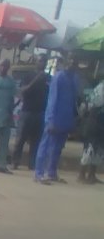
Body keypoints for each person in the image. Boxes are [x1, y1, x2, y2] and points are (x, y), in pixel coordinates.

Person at [34, 54, 80, 185]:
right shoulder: (59, 77)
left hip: (66, 118)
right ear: (66, 63)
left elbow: (74, 100)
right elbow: (52, 99)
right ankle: (39, 173)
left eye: (74, 62)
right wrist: (50, 120)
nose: (72, 64)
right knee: (46, 145)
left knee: (58, 148)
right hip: (54, 117)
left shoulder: (75, 79)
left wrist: (73, 120)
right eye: (70, 61)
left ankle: (52, 172)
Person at [12, 55, 49, 170]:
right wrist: (36, 79)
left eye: (44, 61)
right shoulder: (28, 76)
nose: (42, 63)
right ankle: (15, 162)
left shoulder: (49, 78)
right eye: (40, 60)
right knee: (20, 139)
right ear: (36, 63)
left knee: (36, 141)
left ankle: (32, 164)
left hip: (41, 113)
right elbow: (22, 90)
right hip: (27, 111)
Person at [78, 82, 104, 184]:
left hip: (100, 122)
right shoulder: (101, 87)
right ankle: (81, 174)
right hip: (95, 121)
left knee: (99, 149)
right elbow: (94, 104)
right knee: (89, 148)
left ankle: (92, 175)